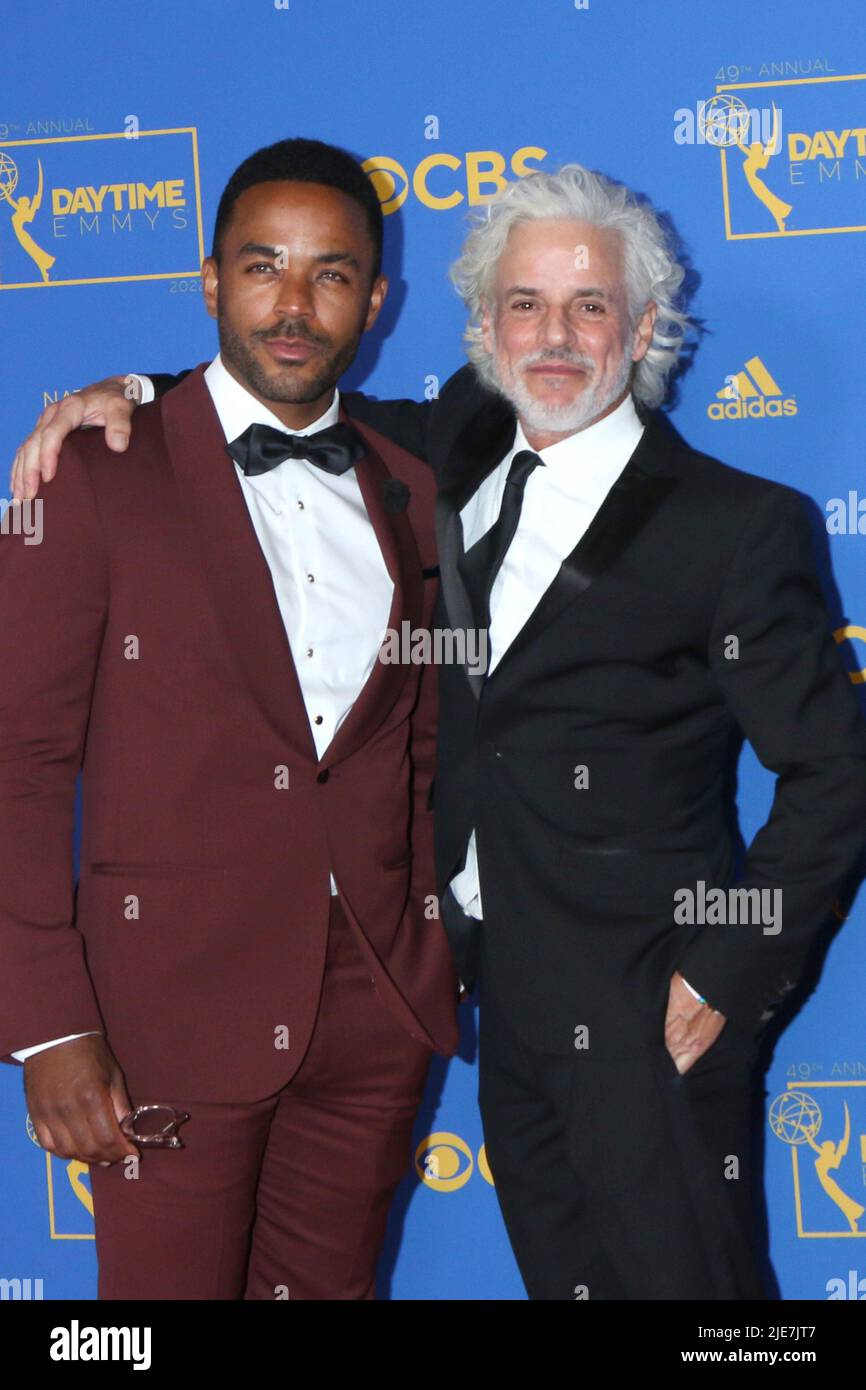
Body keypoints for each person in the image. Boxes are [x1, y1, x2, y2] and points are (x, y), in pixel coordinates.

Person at [13, 163, 866, 1301]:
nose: (553, 336)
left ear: (645, 323)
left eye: (589, 305)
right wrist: (118, 387)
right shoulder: (439, 453)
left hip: (649, 1019)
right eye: (524, 304)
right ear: (480, 326)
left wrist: (724, 973)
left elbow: (834, 771)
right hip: (489, 1007)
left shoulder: (737, 523)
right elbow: (270, 382)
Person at [0, 136, 460, 1301]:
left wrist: (423, 968)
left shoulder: (412, 485)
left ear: (375, 299)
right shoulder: (90, 474)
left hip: (373, 1015)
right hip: (161, 1020)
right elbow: (18, 762)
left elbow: (413, 748)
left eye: (332, 274)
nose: (294, 305)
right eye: (262, 267)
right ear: (210, 281)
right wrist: (47, 1024)